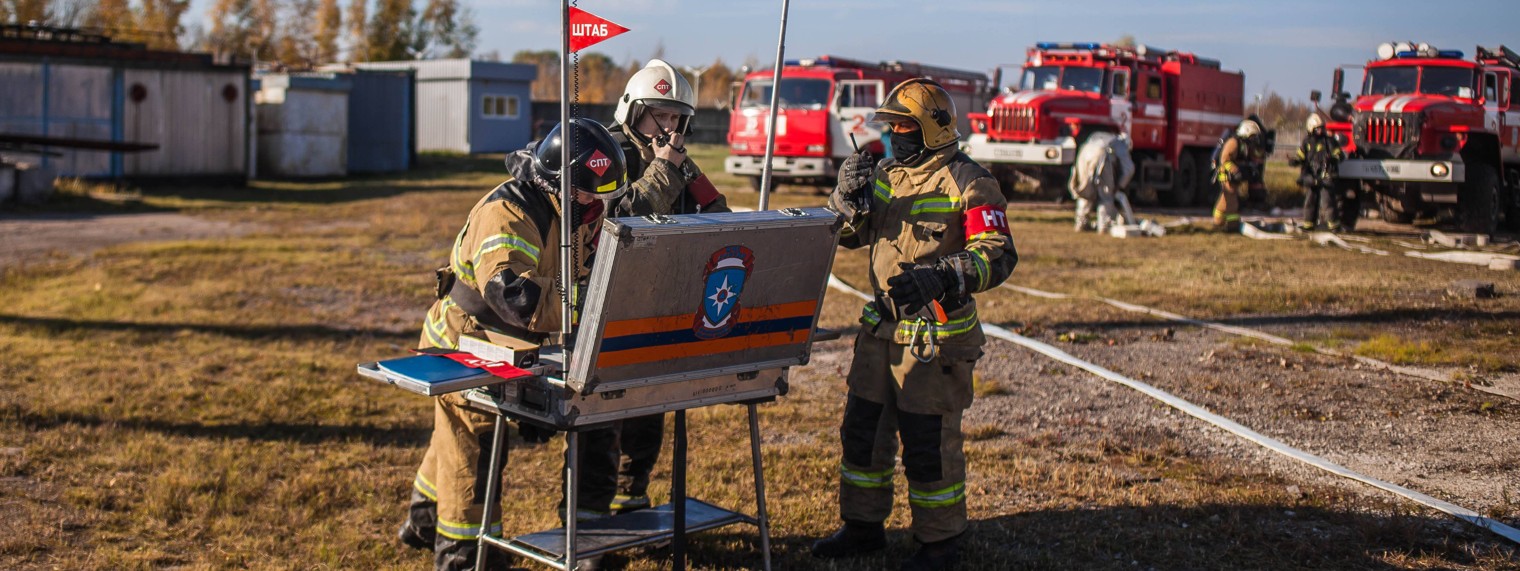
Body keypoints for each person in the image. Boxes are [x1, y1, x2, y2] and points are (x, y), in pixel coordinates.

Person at [397, 118, 628, 571]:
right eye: (590, 195)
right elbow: (512, 295)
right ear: (557, 181)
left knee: (596, 420)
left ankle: (423, 520)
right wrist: (593, 305)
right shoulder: (509, 211)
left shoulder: (579, 209)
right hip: (465, 344)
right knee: (474, 444)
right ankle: (466, 554)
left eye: (605, 196)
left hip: (526, 345)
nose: (599, 207)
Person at [813, 78, 1018, 570]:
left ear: (932, 128)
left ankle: (940, 542)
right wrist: (845, 198)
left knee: (929, 445)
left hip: (935, 338)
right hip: (880, 332)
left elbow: (999, 254)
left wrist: (943, 275)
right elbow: (850, 235)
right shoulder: (887, 174)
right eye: (891, 126)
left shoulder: (970, 180)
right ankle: (862, 528)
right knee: (862, 433)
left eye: (904, 126)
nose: (894, 135)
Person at [572, 59, 733, 518]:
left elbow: (717, 213)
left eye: (676, 117)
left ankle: (632, 494)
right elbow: (613, 219)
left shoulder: (679, 162)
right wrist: (664, 170)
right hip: (599, 305)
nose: (669, 126)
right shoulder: (602, 152)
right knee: (602, 412)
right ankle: (587, 517)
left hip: (656, 302)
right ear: (633, 111)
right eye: (659, 115)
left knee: (649, 404)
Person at [1068, 131, 1135, 234]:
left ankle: (1080, 223)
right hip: (1101, 155)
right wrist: (1120, 186)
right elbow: (1129, 169)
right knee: (1105, 195)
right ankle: (1103, 226)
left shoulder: (1101, 136)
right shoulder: (1121, 144)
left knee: (1085, 192)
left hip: (1084, 153)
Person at [1213, 119, 1261, 232]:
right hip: (1227, 175)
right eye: (1252, 136)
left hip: (1233, 176)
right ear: (1246, 132)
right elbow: (1224, 159)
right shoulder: (1233, 143)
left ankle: (1217, 222)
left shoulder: (1245, 144)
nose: (1253, 139)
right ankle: (1232, 225)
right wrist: (1235, 171)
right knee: (1232, 201)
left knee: (1224, 200)